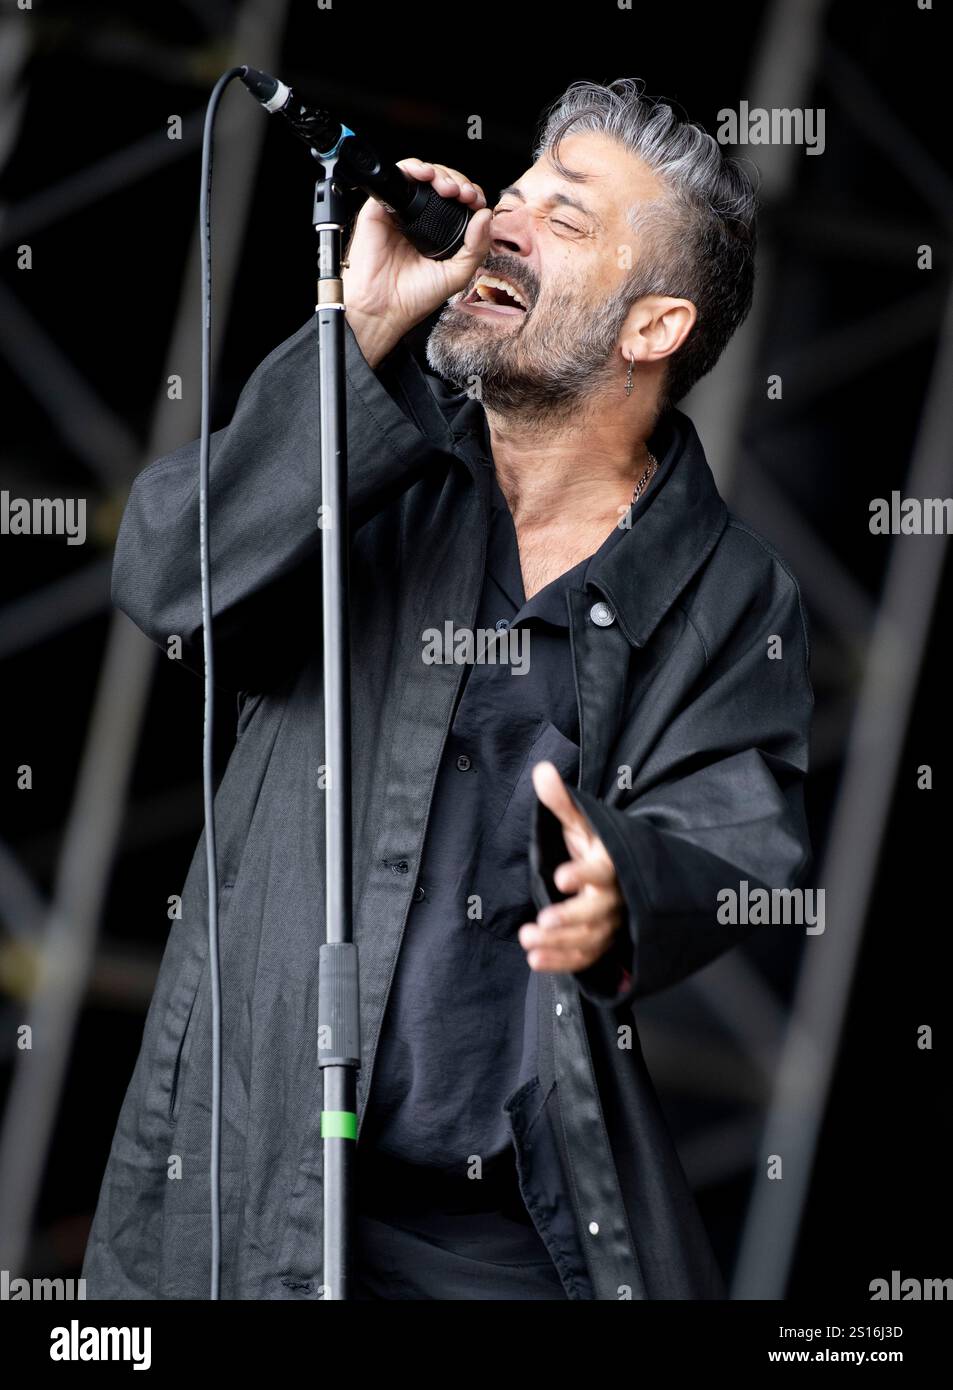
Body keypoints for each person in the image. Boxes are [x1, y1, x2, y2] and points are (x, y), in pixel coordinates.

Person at [82, 79, 813, 1300]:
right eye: (515, 192)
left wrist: (625, 881)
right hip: (252, 1191)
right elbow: (168, 572)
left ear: (652, 328)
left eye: (565, 221)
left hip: (508, 1244)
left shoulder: (728, 588)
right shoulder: (369, 463)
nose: (505, 223)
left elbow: (738, 833)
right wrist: (351, 335)